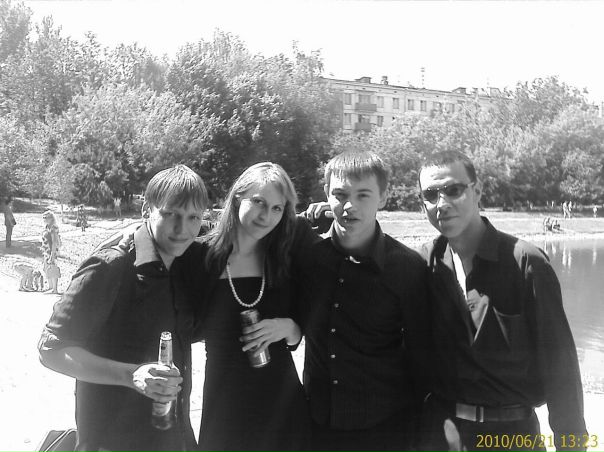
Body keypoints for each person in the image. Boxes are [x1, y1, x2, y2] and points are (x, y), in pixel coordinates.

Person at [417, 151, 587, 451]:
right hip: (441, 436)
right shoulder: (423, 264)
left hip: (513, 437)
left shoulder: (526, 263)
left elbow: (560, 368)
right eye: (431, 194)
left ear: (478, 190)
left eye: (453, 190)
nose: (441, 203)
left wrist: (572, 445)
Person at [38, 165, 209, 452]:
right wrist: (130, 375)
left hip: (173, 439)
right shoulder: (111, 266)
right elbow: (50, 350)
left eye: (193, 217)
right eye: (170, 214)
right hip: (111, 441)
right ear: (146, 210)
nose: (182, 229)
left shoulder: (184, 265)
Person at [297, 151, 430, 452]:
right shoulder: (307, 258)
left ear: (383, 197)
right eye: (340, 195)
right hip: (317, 425)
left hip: (386, 427)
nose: (350, 206)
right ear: (326, 195)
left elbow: (421, 357)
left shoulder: (407, 267)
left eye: (363, 195)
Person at [180, 162, 311, 452]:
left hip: (281, 398)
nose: (266, 216)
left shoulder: (285, 256)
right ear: (238, 197)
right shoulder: (199, 255)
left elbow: (299, 331)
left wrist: (287, 327)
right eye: (259, 202)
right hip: (225, 399)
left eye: (277, 208)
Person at [41, 210, 61, 294]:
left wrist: (52, 254)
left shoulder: (53, 228)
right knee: (47, 268)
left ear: (51, 218)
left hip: (52, 251)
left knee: (53, 268)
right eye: (43, 218)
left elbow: (54, 241)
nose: (44, 219)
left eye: (46, 217)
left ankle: (55, 289)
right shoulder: (47, 227)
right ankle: (50, 287)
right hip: (46, 251)